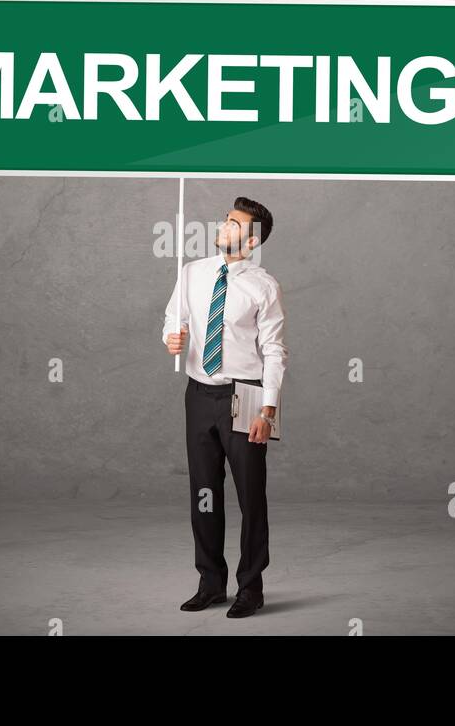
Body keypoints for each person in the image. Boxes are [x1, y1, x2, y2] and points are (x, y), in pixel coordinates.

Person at [162, 196, 288, 618]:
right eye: (227, 219)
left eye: (234, 222)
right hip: (199, 394)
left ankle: (251, 587)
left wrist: (267, 410)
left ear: (250, 240)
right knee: (203, 492)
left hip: (245, 393)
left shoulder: (263, 285)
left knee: (251, 495)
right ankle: (210, 582)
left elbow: (274, 351)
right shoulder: (193, 273)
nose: (225, 225)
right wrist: (172, 337)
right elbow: (172, 319)